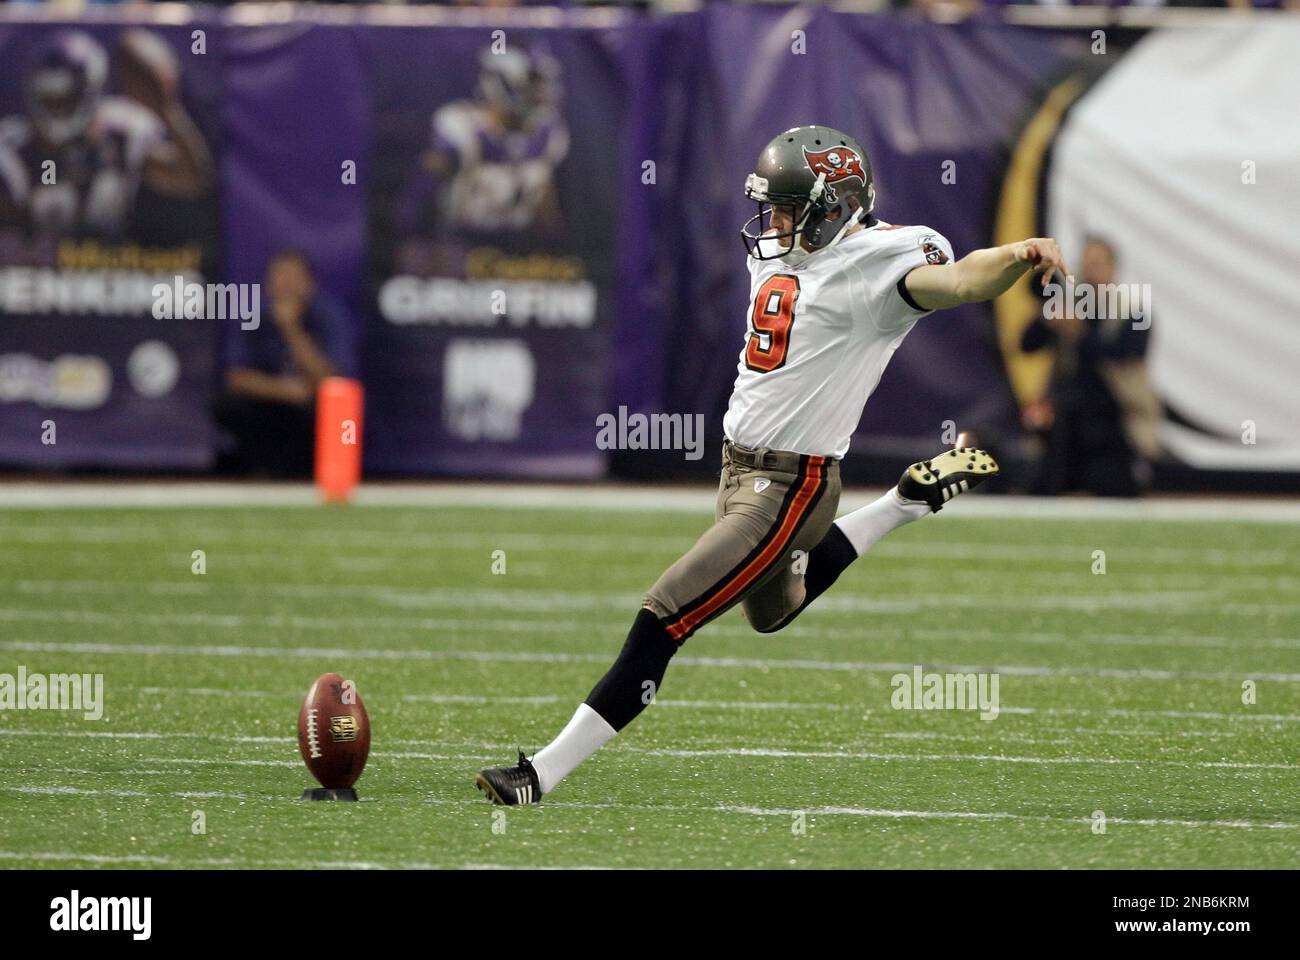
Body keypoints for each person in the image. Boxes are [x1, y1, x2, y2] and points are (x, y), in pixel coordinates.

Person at [475, 125, 1070, 804]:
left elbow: (960, 280)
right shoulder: (783, 255)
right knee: (772, 612)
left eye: (789, 210)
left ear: (837, 207)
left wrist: (1019, 253)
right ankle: (905, 502)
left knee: (666, 611)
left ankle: (538, 775)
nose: (774, 223)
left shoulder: (879, 263)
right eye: (772, 208)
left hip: (789, 486)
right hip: (737, 471)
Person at [1019, 237, 1153, 497]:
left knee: (1114, 489)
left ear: (1113, 268)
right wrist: (1048, 315)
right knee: (1042, 485)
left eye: (1098, 263)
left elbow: (1129, 353)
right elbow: (1027, 345)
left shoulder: (1133, 310)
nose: (1091, 270)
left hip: (1115, 418)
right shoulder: (1070, 303)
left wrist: (1079, 331)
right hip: (1067, 417)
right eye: (1087, 263)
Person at [213, 250, 359, 476]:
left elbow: (335, 381)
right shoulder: (254, 317)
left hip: (311, 408)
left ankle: (320, 472)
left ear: (310, 284)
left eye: (293, 278)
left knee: (331, 411)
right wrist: (287, 391)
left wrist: (291, 330)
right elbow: (236, 377)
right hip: (273, 403)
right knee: (229, 405)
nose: (285, 286)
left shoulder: (330, 317)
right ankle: (261, 468)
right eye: (279, 277)